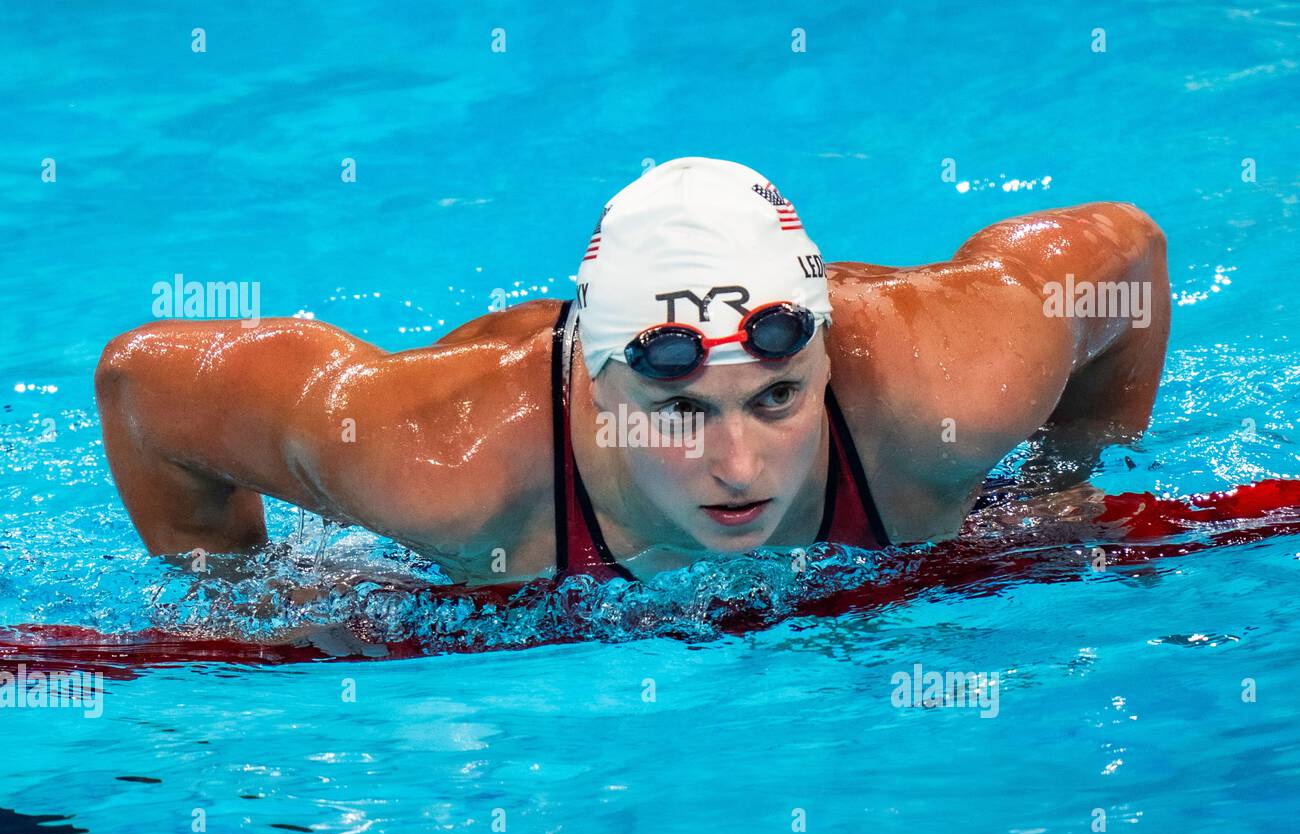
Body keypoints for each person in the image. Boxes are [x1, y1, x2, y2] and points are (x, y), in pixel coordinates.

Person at [95, 157, 1171, 585]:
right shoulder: (434, 457)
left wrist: (1061, 471)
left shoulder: (949, 376)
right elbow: (143, 383)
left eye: (778, 396)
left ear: (828, 358)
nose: (738, 460)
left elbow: (1125, 247)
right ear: (594, 391)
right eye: (678, 410)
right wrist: (232, 591)